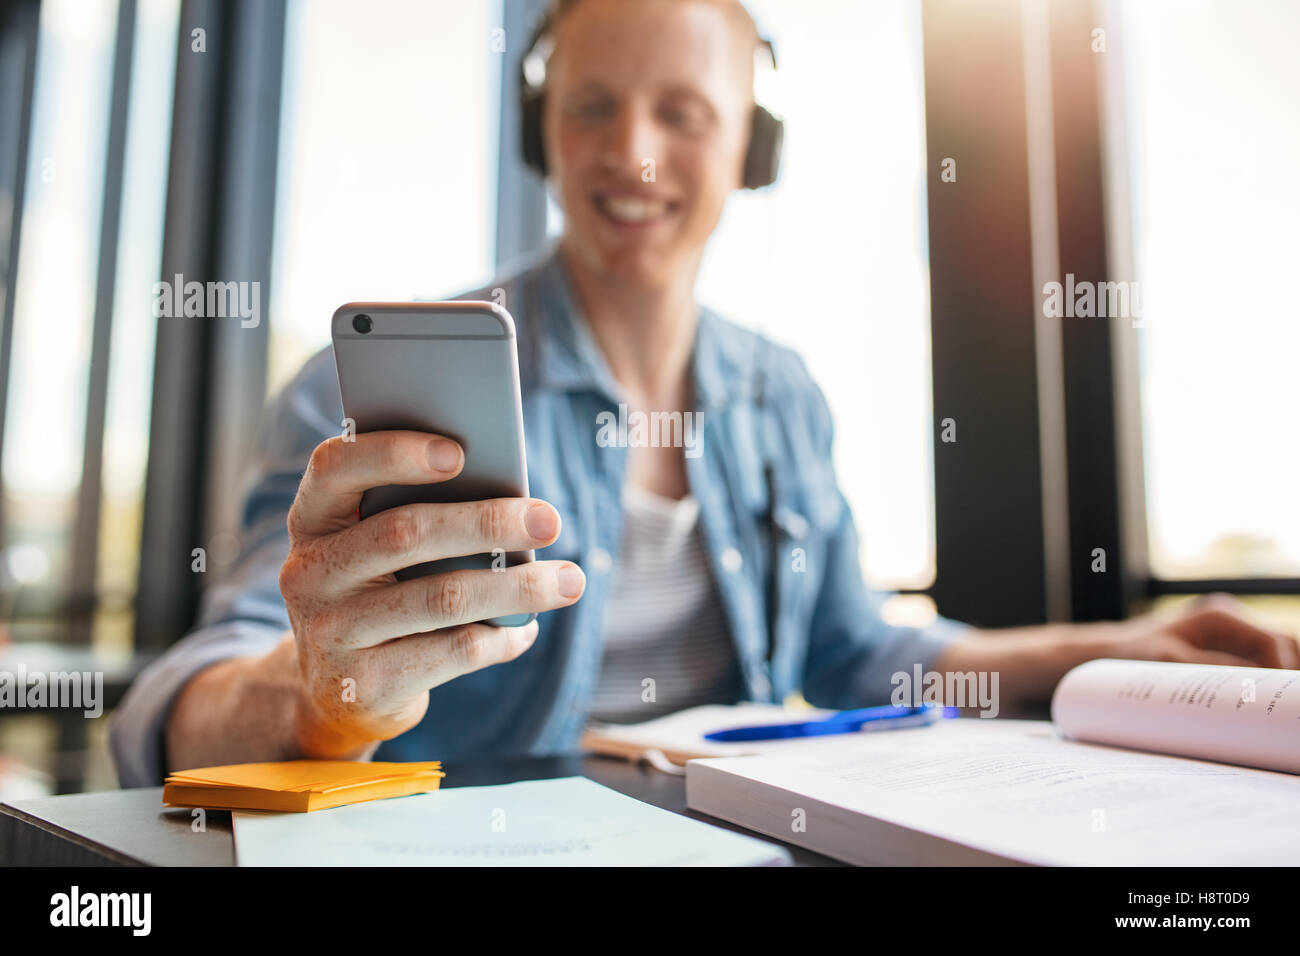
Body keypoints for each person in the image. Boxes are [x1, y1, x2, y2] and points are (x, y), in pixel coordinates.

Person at [111, 0, 1298, 787]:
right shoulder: (365, 398)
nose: (632, 153)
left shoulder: (780, 393)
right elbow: (192, 695)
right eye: (590, 105)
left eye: (682, 114)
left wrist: (1125, 645)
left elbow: (854, 653)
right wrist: (315, 697)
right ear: (543, 128)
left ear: (749, 146)